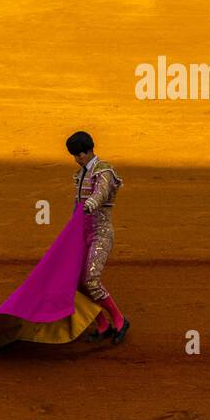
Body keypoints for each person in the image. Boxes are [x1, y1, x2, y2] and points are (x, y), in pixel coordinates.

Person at [66, 130, 129, 344]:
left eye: (79, 155)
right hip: (82, 233)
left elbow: (100, 193)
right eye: (74, 156)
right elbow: (76, 207)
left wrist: (90, 204)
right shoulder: (80, 174)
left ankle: (120, 320)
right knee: (77, 281)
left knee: (91, 280)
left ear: (90, 150)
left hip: (100, 233)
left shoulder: (104, 170)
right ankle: (102, 323)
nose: (76, 159)